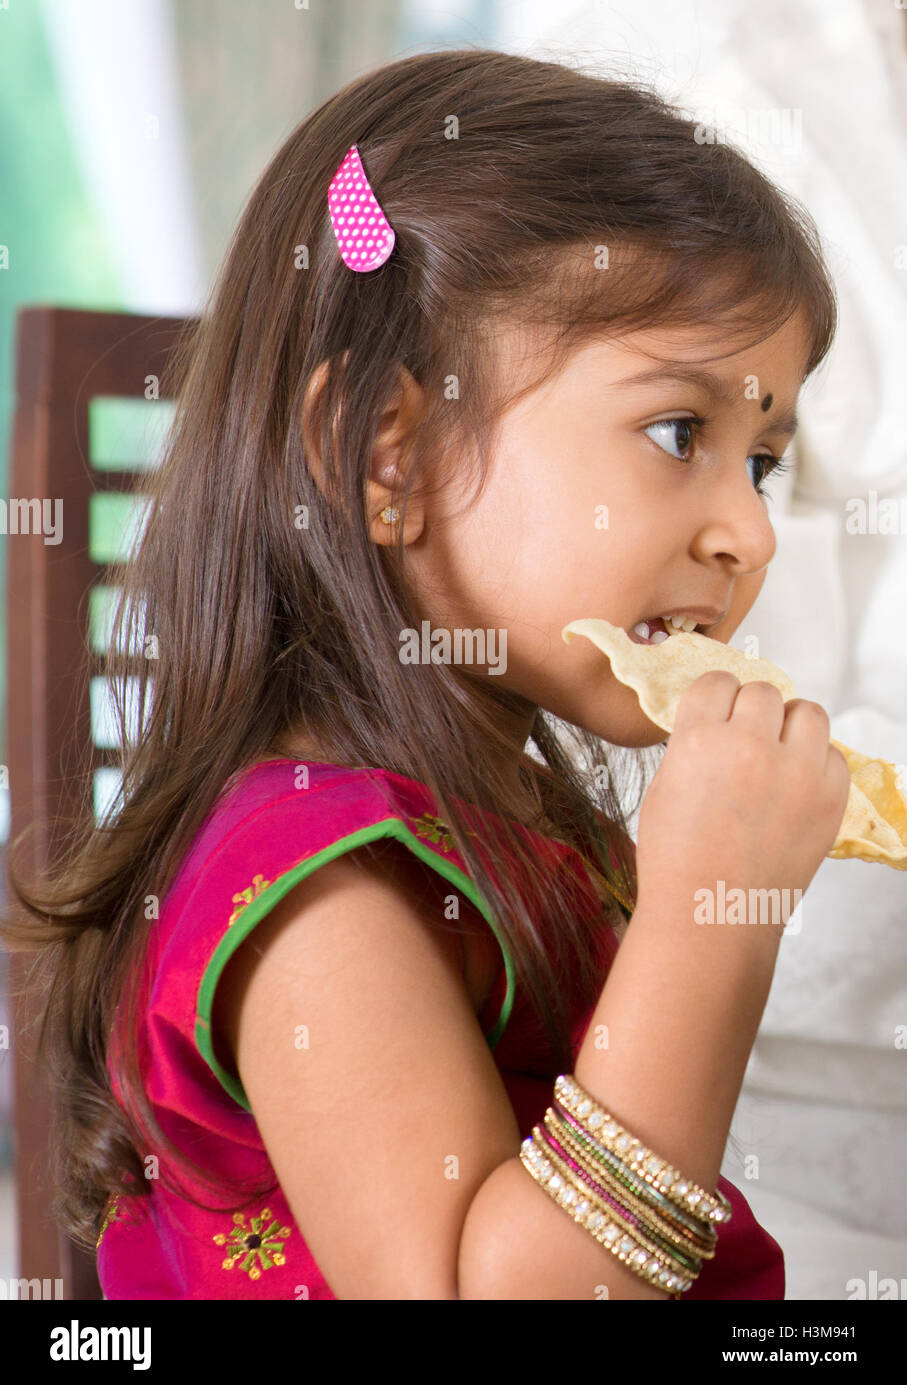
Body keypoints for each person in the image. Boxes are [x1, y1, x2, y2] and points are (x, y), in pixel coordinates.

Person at [2, 46, 851, 1300]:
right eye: (680, 434)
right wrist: (710, 927)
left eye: (760, 459)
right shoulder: (322, 890)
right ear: (388, 457)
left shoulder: (513, 810)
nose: (751, 533)